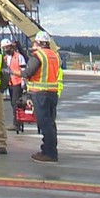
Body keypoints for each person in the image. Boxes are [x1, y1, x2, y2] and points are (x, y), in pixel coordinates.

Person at [22, 30, 63, 163]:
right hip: (52, 93)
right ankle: (50, 149)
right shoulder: (55, 55)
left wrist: (16, 72)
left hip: (40, 94)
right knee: (50, 123)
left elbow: (28, 72)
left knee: (44, 123)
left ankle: (49, 153)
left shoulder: (38, 56)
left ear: (38, 43)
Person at [1, 38, 27, 130]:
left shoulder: (19, 56)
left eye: (7, 47)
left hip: (18, 82)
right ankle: (18, 121)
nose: (6, 49)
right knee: (13, 103)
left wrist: (23, 82)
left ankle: (17, 123)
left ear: (11, 47)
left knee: (15, 103)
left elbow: (23, 70)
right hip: (10, 83)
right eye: (4, 48)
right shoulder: (5, 58)